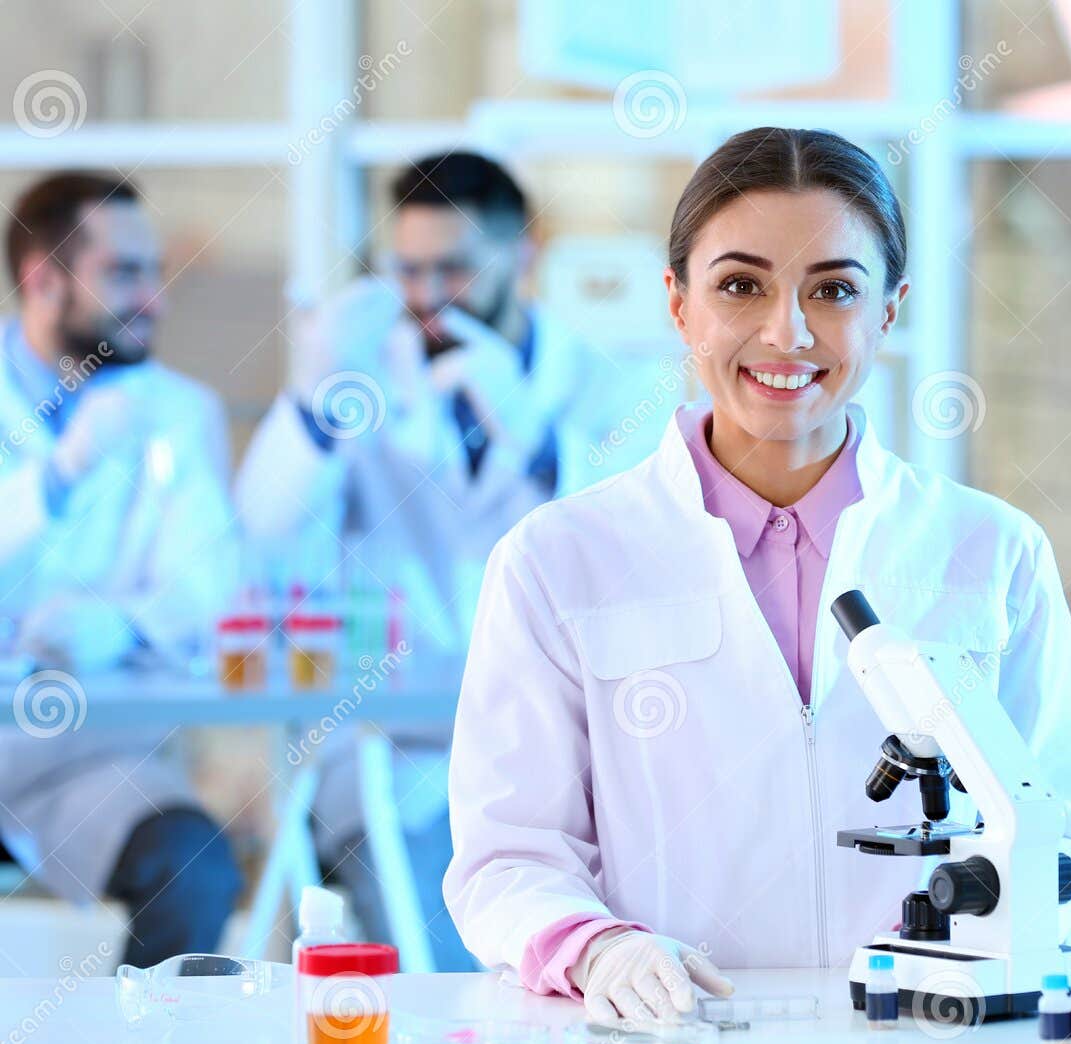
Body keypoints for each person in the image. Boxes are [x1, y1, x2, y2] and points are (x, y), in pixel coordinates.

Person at [444, 128, 1071, 1025]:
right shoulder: (559, 559)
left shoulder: (992, 552)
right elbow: (508, 853)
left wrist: (973, 954)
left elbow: (1059, 816)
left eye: (833, 289)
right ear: (679, 303)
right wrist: (596, 946)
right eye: (740, 285)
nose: (786, 331)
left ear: (891, 309)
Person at [235, 152, 625, 970]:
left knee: (570, 927)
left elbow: (637, 553)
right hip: (391, 744)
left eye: (453, 267)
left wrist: (542, 443)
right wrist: (310, 403)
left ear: (524, 255)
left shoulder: (601, 386)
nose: (426, 294)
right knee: (435, 953)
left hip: (558, 744)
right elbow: (265, 536)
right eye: (408, 269)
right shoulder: (366, 380)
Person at [0, 173, 242, 967]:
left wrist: (122, 626)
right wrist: (54, 481)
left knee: (196, 870)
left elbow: (209, 595)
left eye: (155, 271)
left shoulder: (179, 411)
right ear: (42, 278)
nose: (154, 297)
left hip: (92, 757)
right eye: (125, 272)